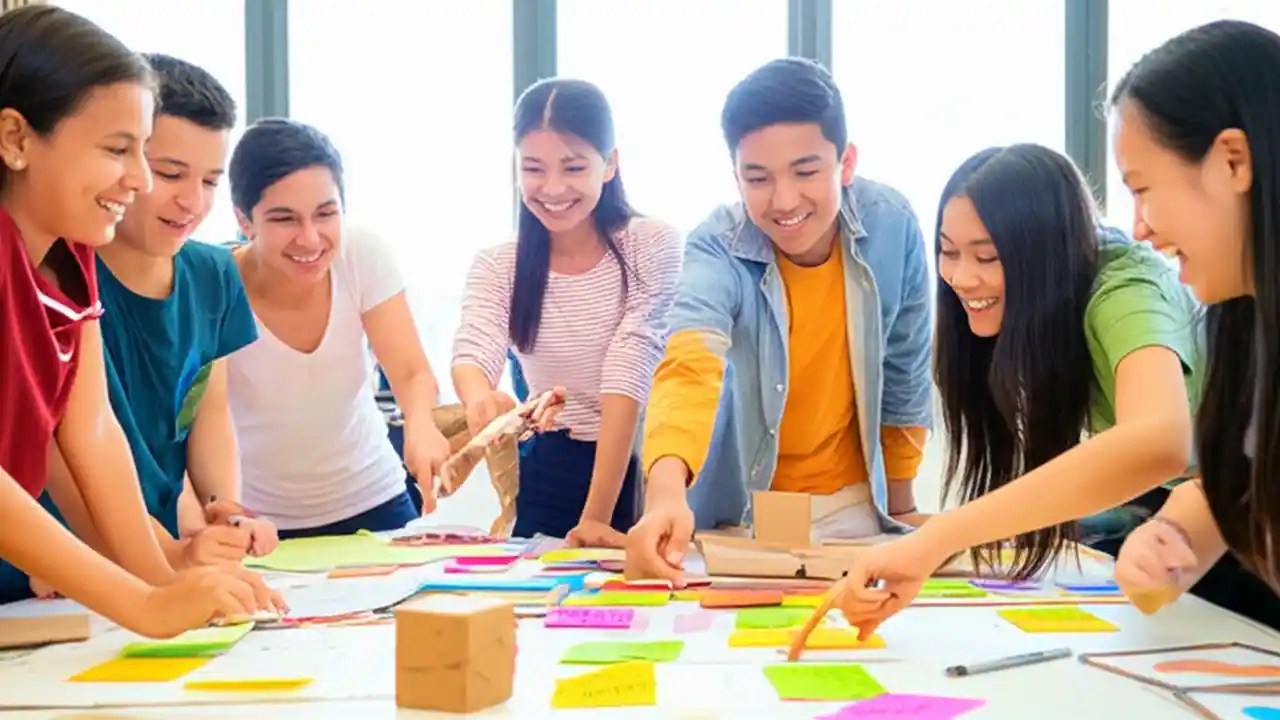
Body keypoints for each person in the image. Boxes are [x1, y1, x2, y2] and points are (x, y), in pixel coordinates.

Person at [823, 143, 1205, 637]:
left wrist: (940, 537)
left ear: (1044, 252)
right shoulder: (1045, 306)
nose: (962, 277)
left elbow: (1159, 440)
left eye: (988, 256)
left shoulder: (1124, 289)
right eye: (948, 250)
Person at [0, 5, 276, 634]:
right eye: (119, 150)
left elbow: (91, 435)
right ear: (16, 139)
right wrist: (146, 601)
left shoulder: (72, 260)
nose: (139, 178)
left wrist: (164, 577)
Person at [624, 58, 934, 584]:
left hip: (855, 515)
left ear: (847, 161)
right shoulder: (716, 246)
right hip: (740, 522)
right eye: (758, 178)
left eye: (807, 171)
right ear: (736, 176)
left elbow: (906, 366)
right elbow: (688, 366)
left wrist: (899, 511)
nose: (785, 200)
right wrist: (664, 497)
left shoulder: (891, 225)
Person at [452, 78, 682, 546]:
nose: (552, 188)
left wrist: (596, 516)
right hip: (552, 470)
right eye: (533, 168)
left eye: (573, 167)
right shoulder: (500, 264)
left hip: (644, 469)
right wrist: (480, 396)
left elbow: (628, 370)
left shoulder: (652, 243)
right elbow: (475, 344)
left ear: (609, 164)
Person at [1107, 19, 1280, 629]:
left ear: (1233, 160)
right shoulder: (1245, 322)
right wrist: (1172, 535)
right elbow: (1240, 481)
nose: (1140, 228)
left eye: (1143, 188)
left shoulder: (1123, 288)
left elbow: (1158, 443)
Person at [226, 118, 452, 538]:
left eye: (326, 214)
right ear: (245, 219)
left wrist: (421, 424)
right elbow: (202, 420)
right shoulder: (218, 283)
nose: (310, 239)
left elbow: (411, 373)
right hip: (261, 523)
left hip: (376, 498)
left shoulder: (359, 254)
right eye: (284, 219)